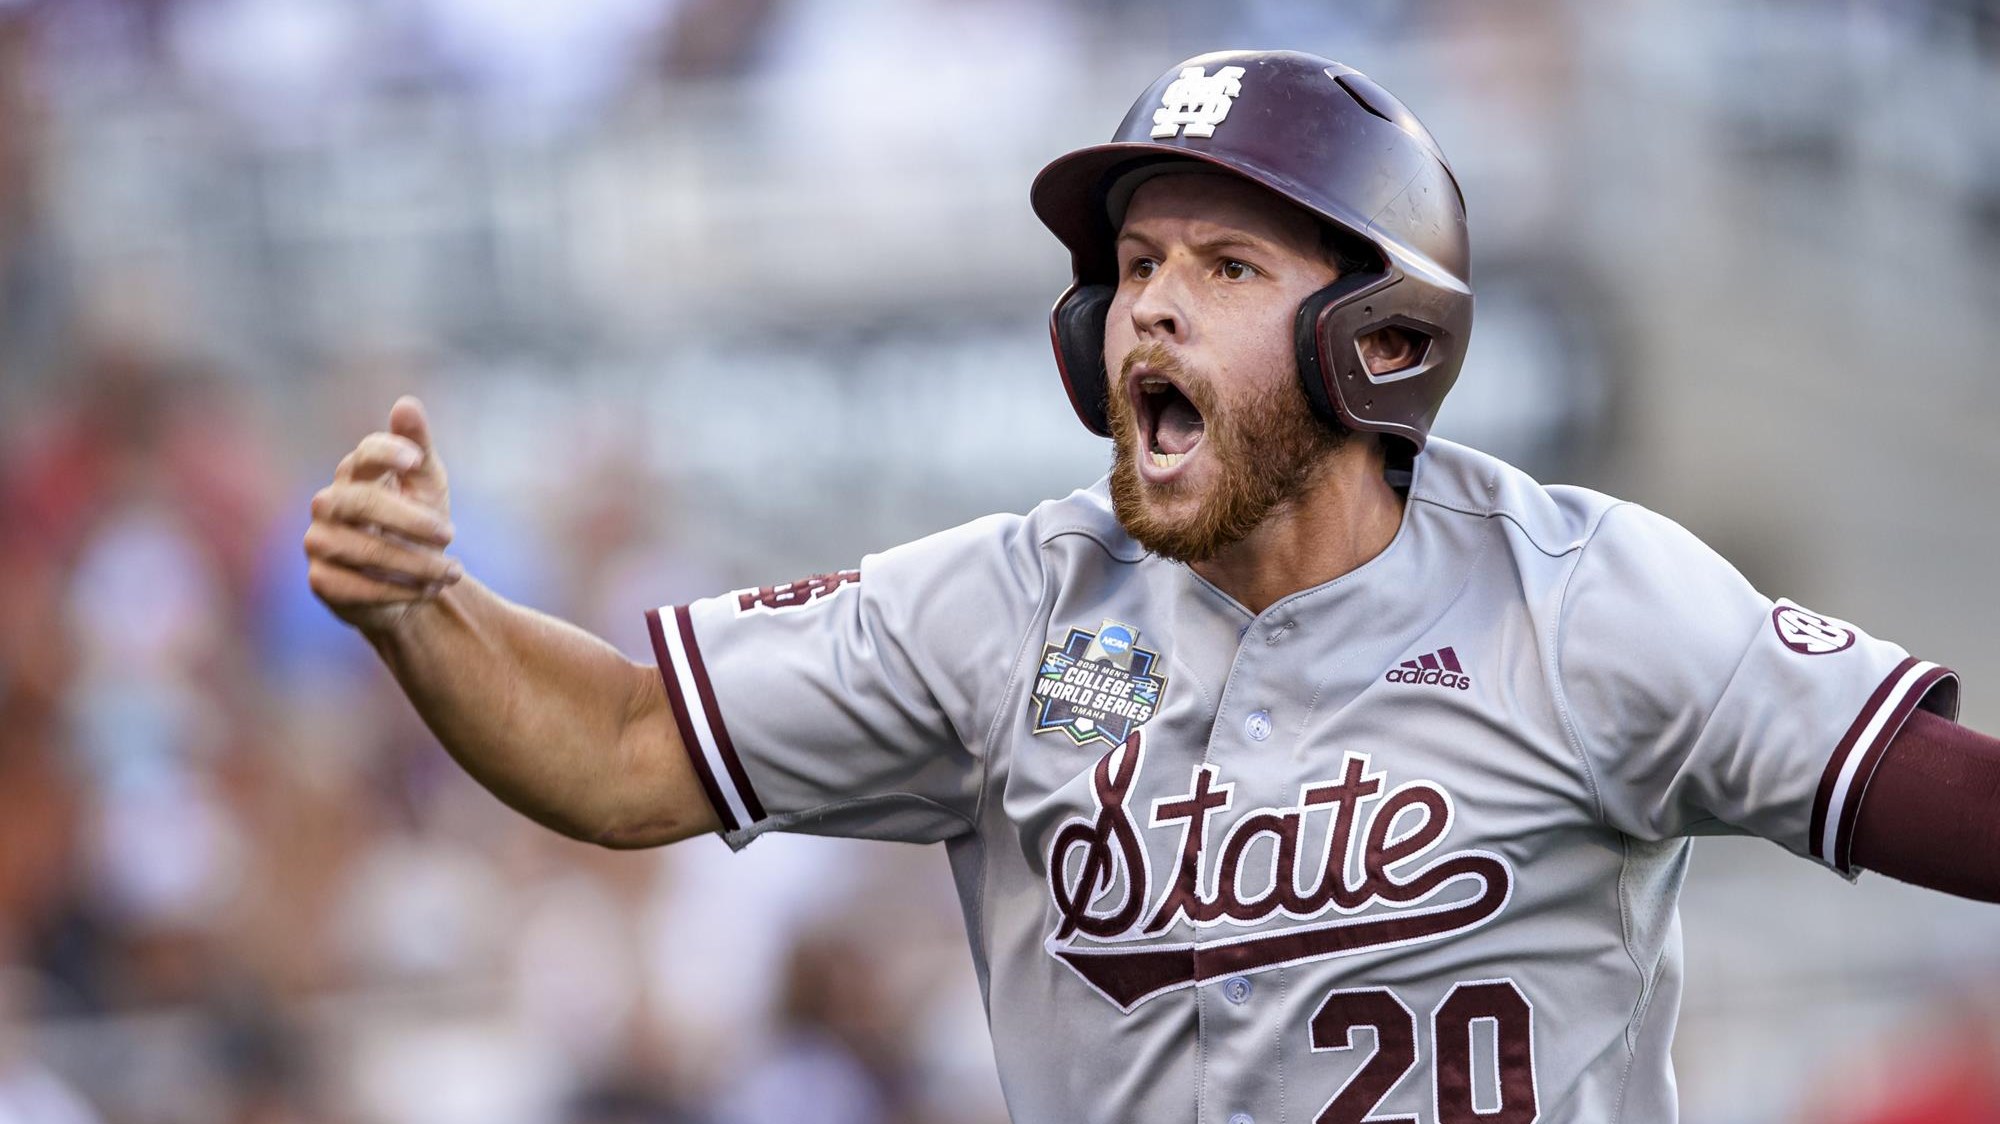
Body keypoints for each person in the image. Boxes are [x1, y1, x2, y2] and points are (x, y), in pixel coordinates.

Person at [305, 50, 2000, 1123]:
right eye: (1131, 268)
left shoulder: (1586, 600)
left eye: (1224, 264)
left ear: (1381, 339)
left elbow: (1950, 808)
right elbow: (613, 747)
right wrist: (418, 607)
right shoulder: (1012, 608)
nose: (1150, 310)